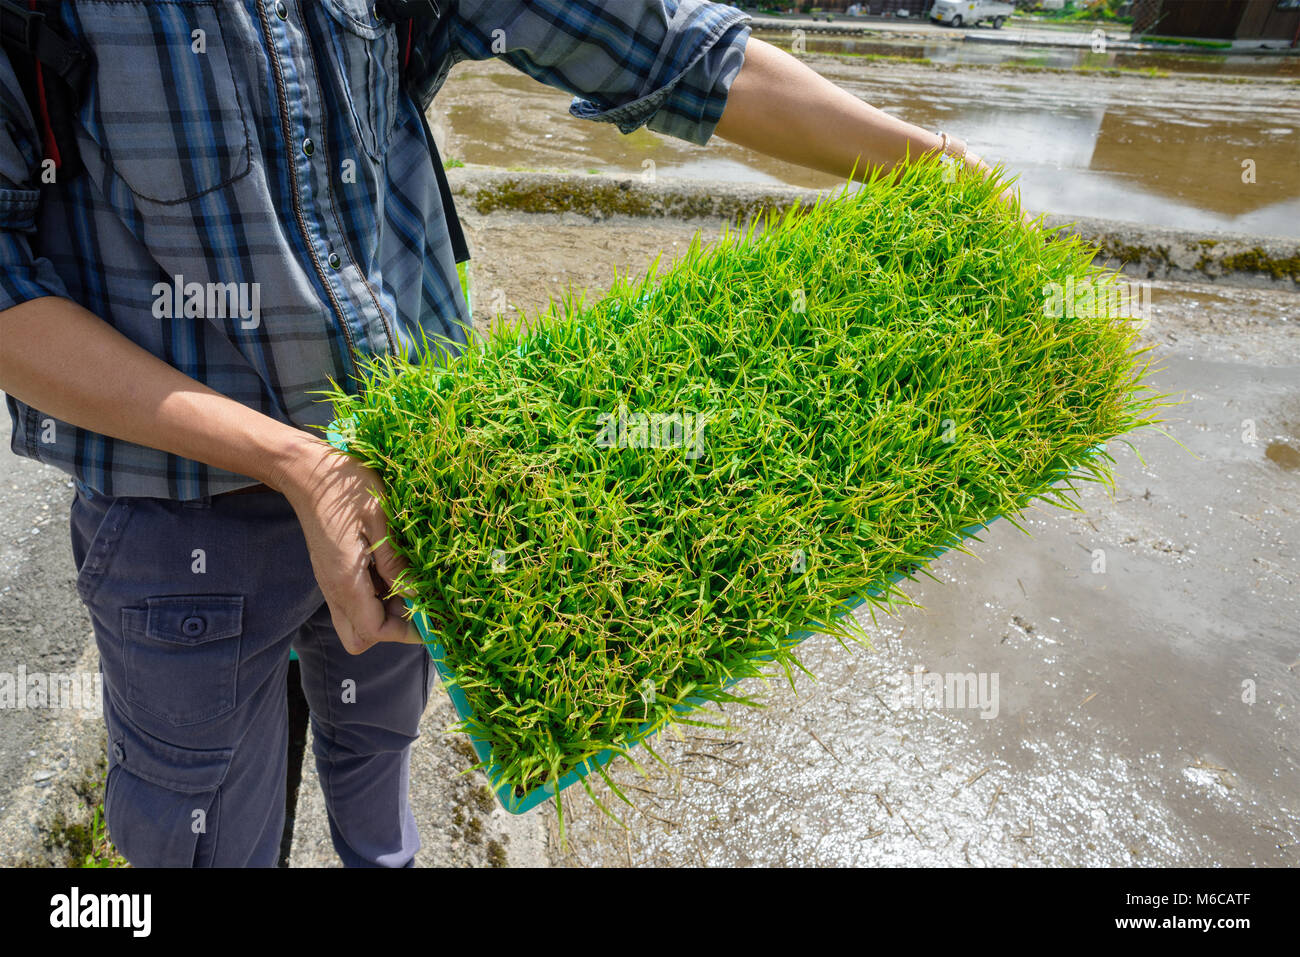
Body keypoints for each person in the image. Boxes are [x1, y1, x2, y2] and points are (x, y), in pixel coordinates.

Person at [0, 0, 1006, 867]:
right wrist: (298, 464)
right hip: (184, 524)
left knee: (379, 741)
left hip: (419, 488)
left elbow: (661, 46)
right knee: (200, 825)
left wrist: (941, 169)